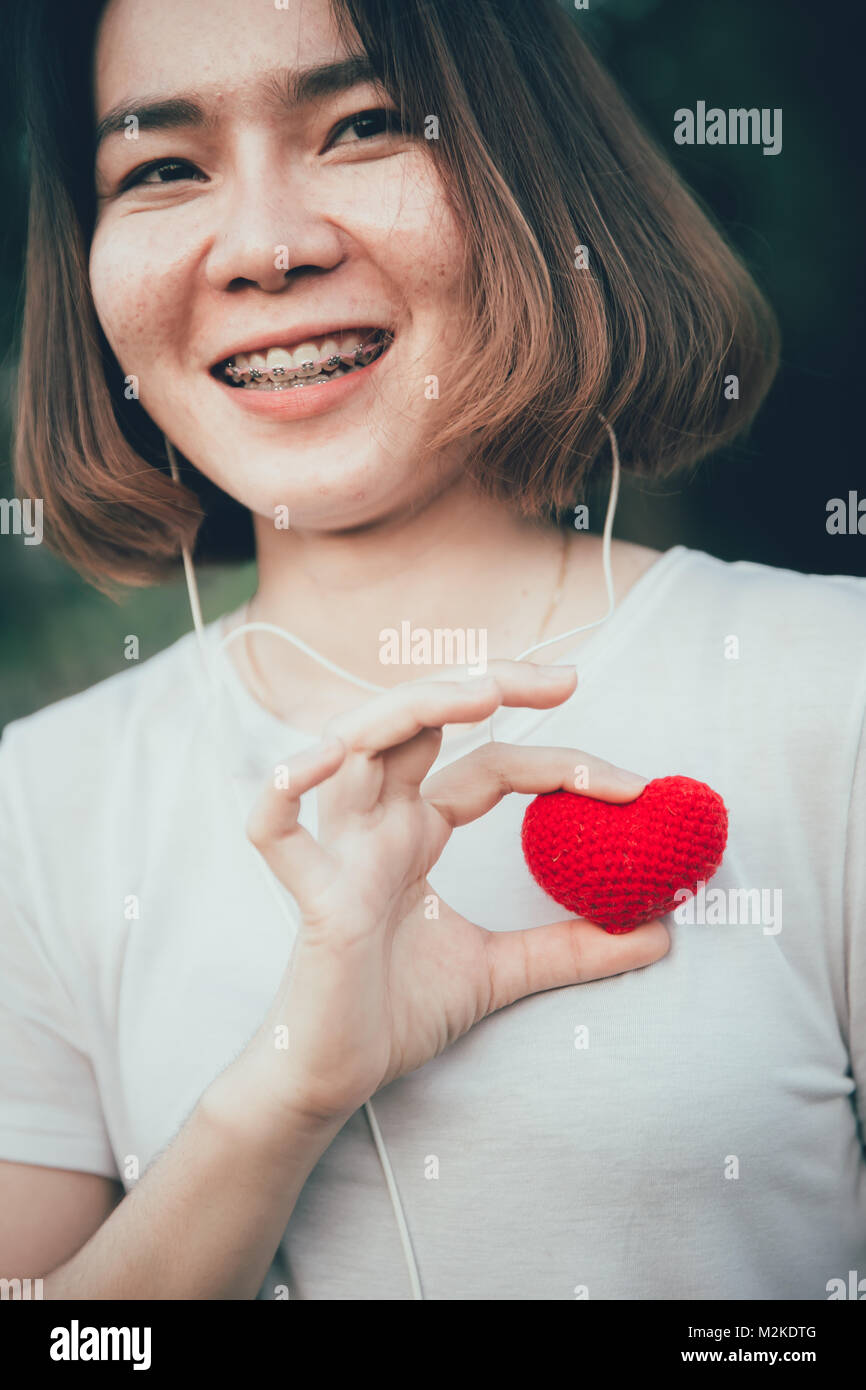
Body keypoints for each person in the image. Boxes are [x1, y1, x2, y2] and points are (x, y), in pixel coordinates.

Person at [1, 0, 863, 1301]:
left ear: (537, 174)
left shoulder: (833, 693)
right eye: (162, 166)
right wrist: (288, 1089)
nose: (265, 248)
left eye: (361, 126)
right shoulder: (32, 809)